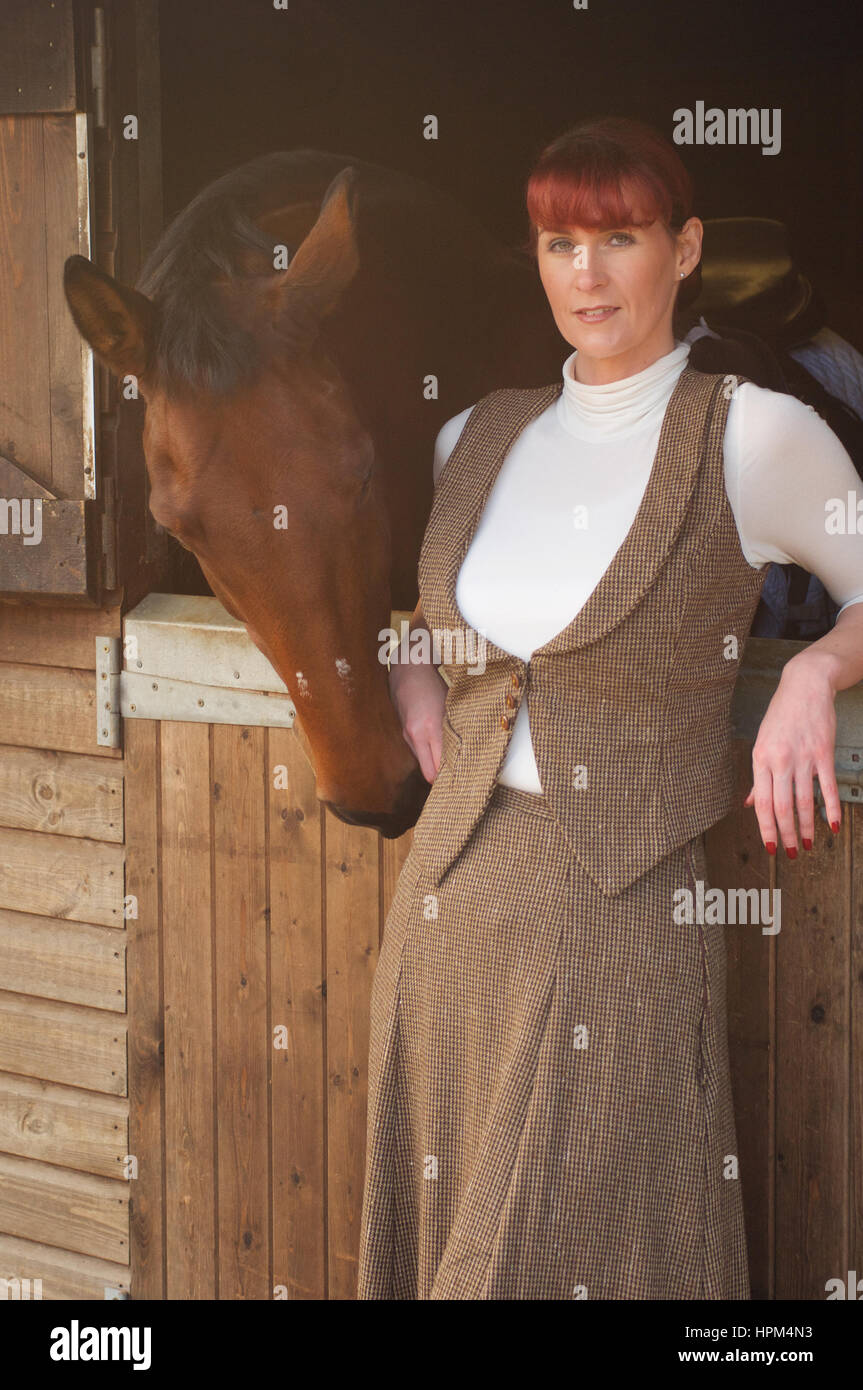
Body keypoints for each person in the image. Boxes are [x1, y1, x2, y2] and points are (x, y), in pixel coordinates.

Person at [357, 116, 863, 1300]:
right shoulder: (468, 436)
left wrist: (812, 672)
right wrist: (406, 648)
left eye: (617, 238)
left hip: (616, 924)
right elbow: (445, 618)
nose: (583, 274)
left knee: (575, 1256)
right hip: (446, 912)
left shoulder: (753, 433)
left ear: (683, 250)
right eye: (555, 243)